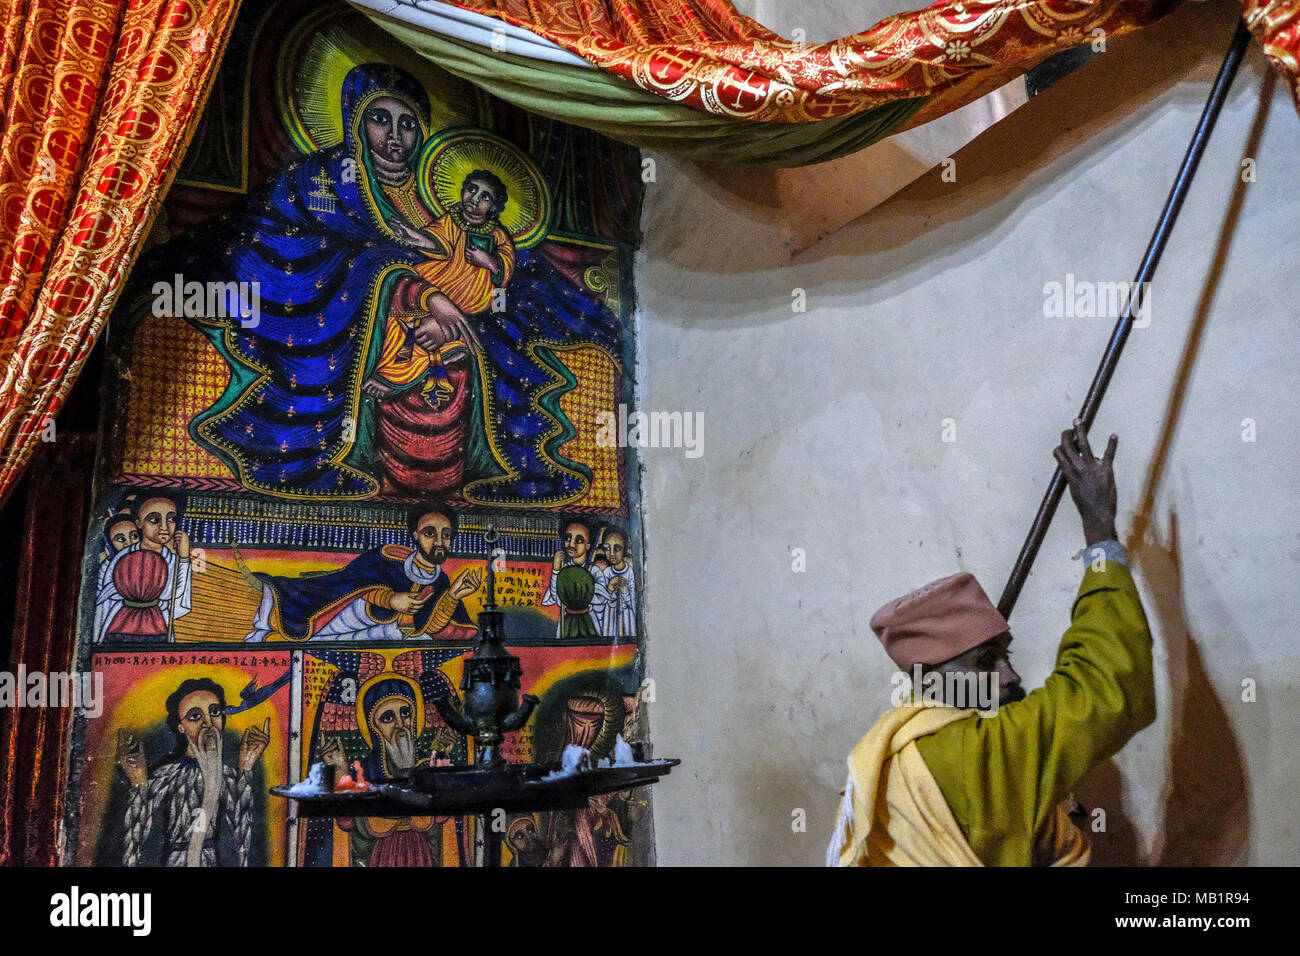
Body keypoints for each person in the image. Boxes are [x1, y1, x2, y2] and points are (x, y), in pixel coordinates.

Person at [828, 421, 1155, 867]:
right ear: (934, 680)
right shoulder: (981, 755)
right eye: (986, 662)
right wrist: (1099, 529)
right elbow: (1103, 683)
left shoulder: (885, 760)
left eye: (1007, 654)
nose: (1011, 676)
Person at [242, 501, 480, 642]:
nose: (439, 541)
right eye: (430, 533)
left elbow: (430, 628)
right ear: (415, 535)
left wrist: (453, 596)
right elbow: (350, 581)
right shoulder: (388, 557)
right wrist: (389, 599)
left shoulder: (441, 581)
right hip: (337, 618)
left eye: (446, 536)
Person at [116, 678, 270, 866]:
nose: (208, 723)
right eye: (195, 716)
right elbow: (137, 831)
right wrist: (138, 781)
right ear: (181, 727)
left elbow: (242, 833)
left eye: (215, 712)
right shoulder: (168, 774)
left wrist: (246, 767)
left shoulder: (227, 775)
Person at [93, 495, 193, 643]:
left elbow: (177, 603)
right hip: (118, 629)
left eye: (171, 519)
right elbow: (104, 603)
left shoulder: (173, 559)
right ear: (139, 523)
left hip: (158, 628)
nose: (164, 527)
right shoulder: (118, 560)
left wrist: (184, 559)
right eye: (154, 520)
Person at [541, 520, 606, 638]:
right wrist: (555, 571)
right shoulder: (563, 568)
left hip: (589, 621)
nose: (571, 544)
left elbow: (601, 599)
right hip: (567, 622)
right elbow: (558, 598)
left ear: (588, 545)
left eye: (579, 540)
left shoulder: (594, 571)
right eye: (568, 538)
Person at [594, 529, 636, 639]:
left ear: (625, 549)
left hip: (627, 616)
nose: (612, 553)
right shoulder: (607, 572)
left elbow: (635, 603)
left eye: (617, 548)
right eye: (607, 548)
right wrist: (609, 590)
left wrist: (625, 593)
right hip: (610, 615)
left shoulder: (630, 572)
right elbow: (601, 601)